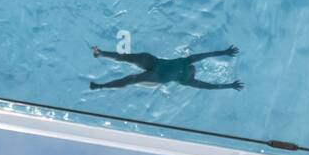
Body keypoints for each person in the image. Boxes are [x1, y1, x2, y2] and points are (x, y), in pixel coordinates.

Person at [89, 45, 243, 91]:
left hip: (158, 77)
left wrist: (230, 86)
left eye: (194, 70)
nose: (194, 69)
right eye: (194, 68)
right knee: (131, 57)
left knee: (131, 79)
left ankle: (101, 86)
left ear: (193, 73)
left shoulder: (189, 80)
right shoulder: (186, 61)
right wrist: (224, 52)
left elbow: (209, 86)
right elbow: (205, 55)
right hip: (155, 63)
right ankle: (101, 54)